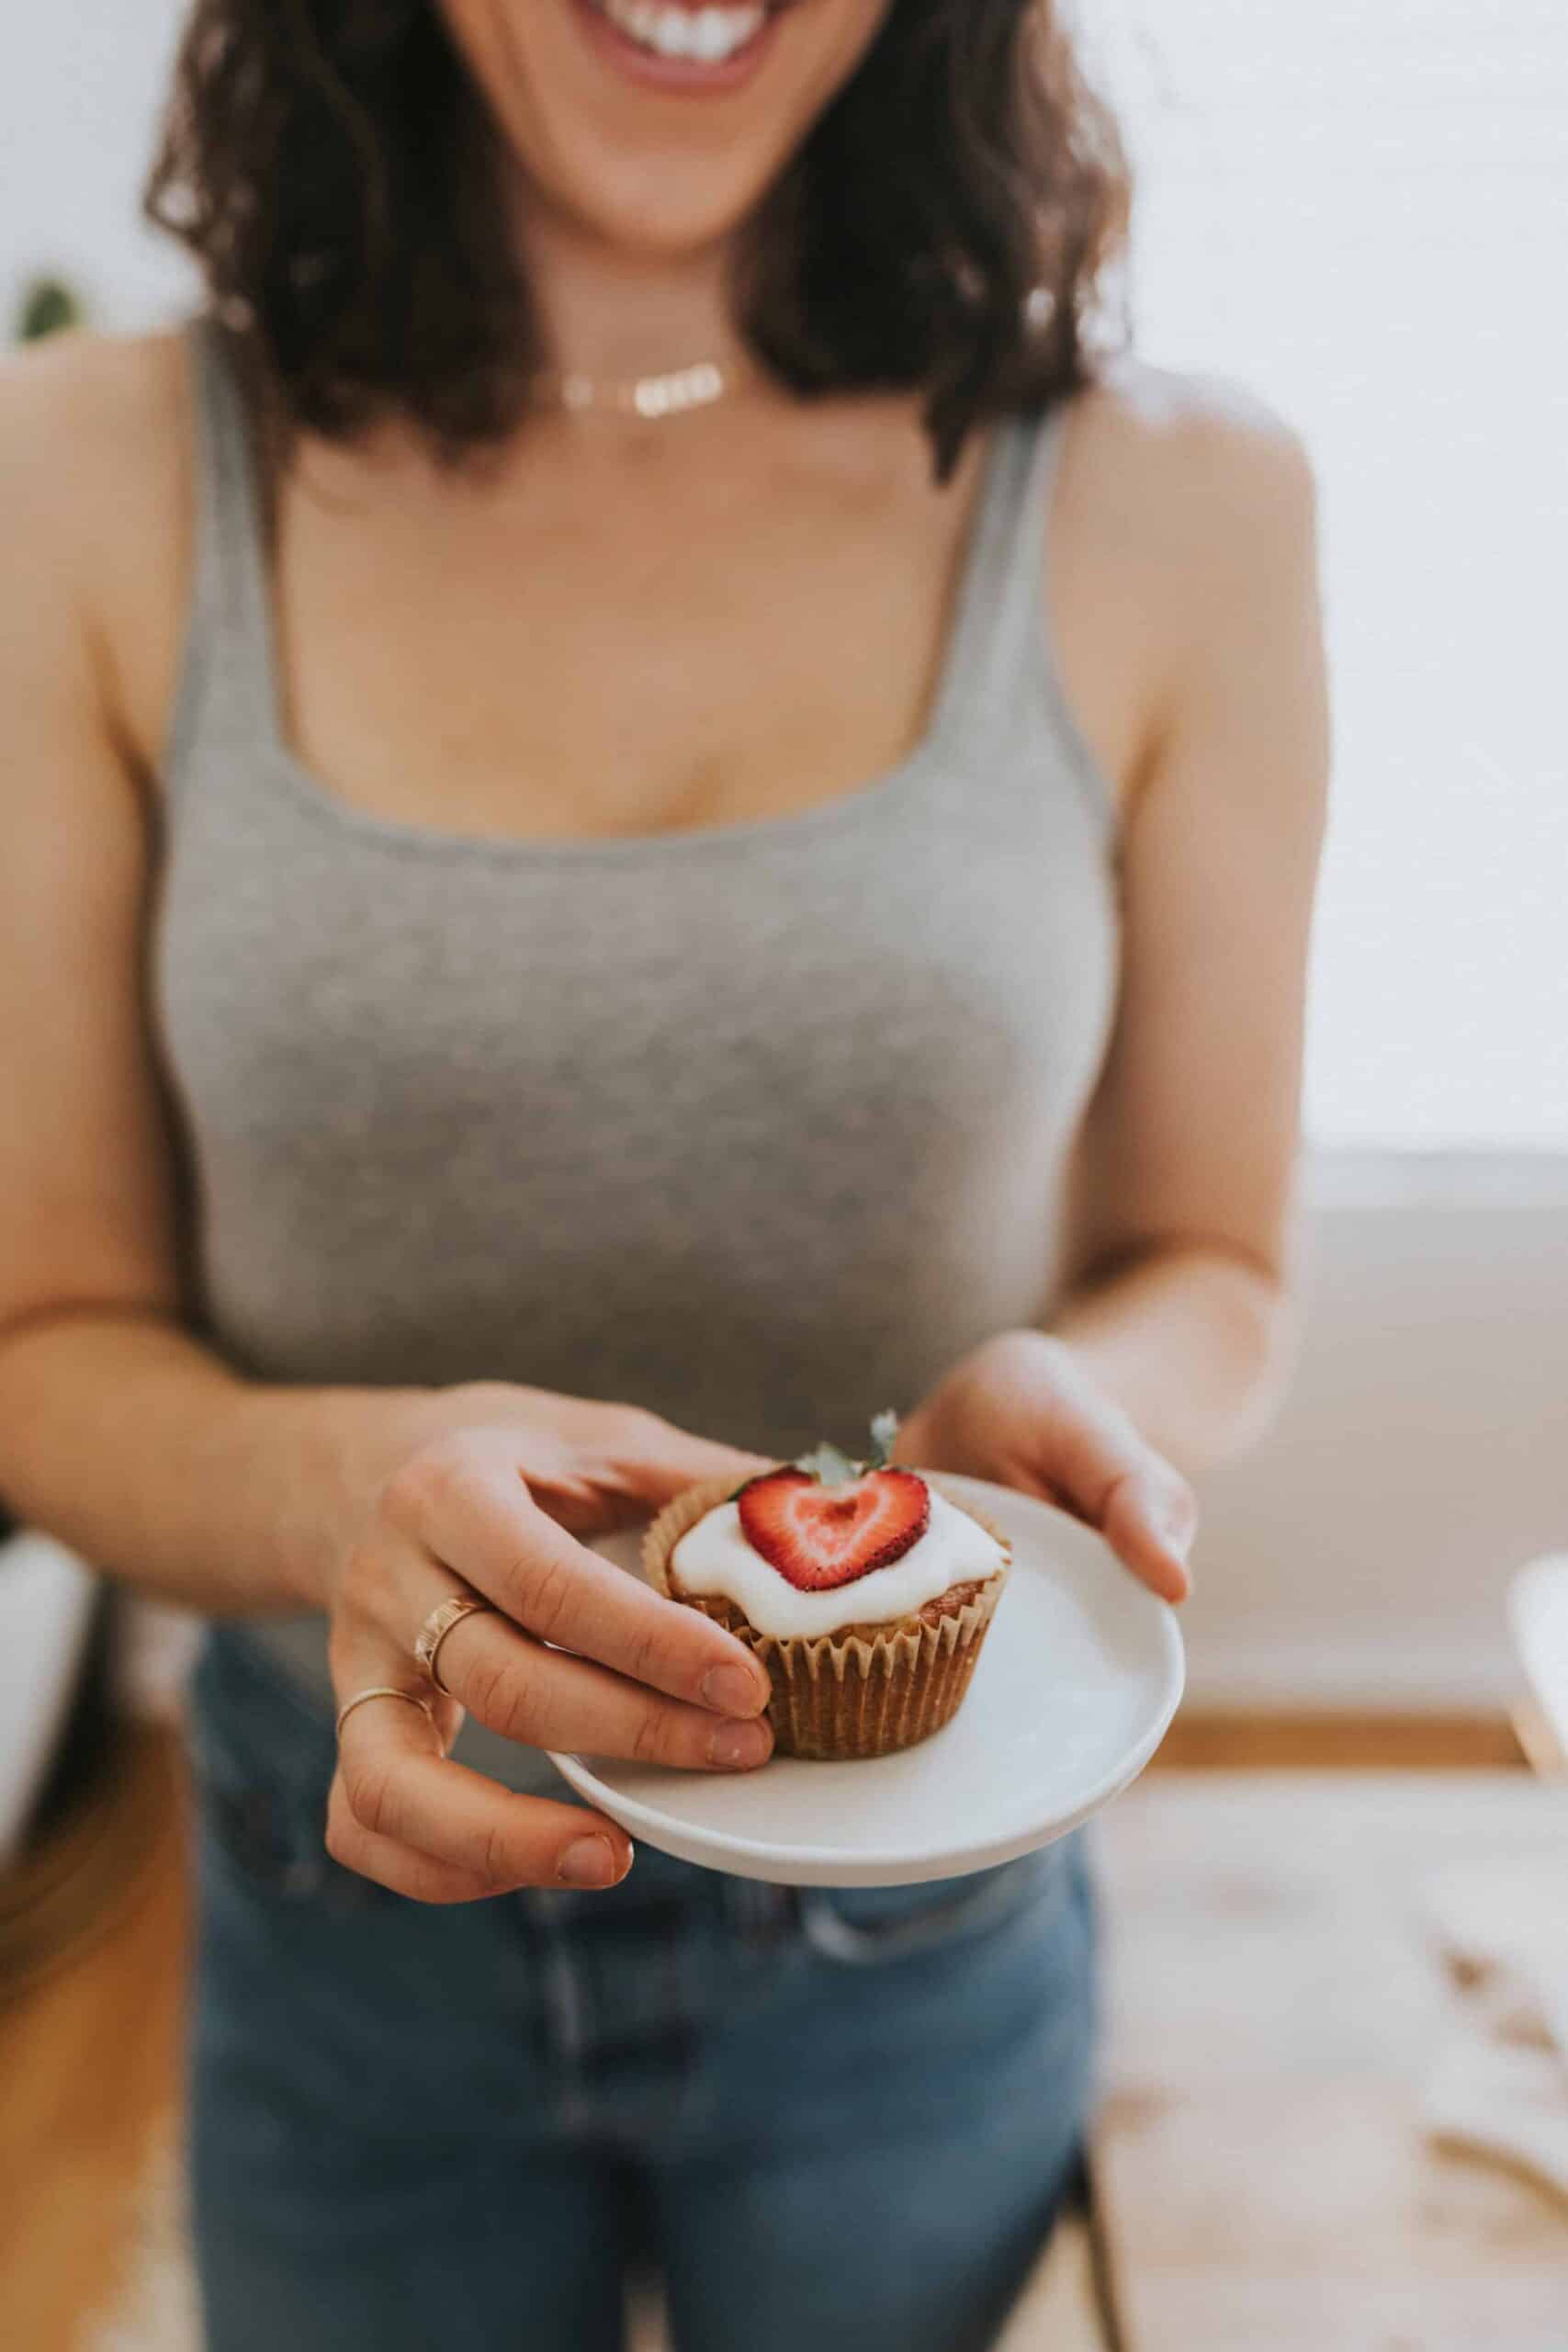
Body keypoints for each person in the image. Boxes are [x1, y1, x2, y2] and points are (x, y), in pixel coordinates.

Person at [0, 1, 1328, 2345]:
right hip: (341, 1908)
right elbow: (40, 1343)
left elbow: (1208, 1264)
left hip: (926, 1925)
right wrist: (353, 1493)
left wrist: (1053, 1395)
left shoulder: (1181, 503)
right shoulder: (80, 482)